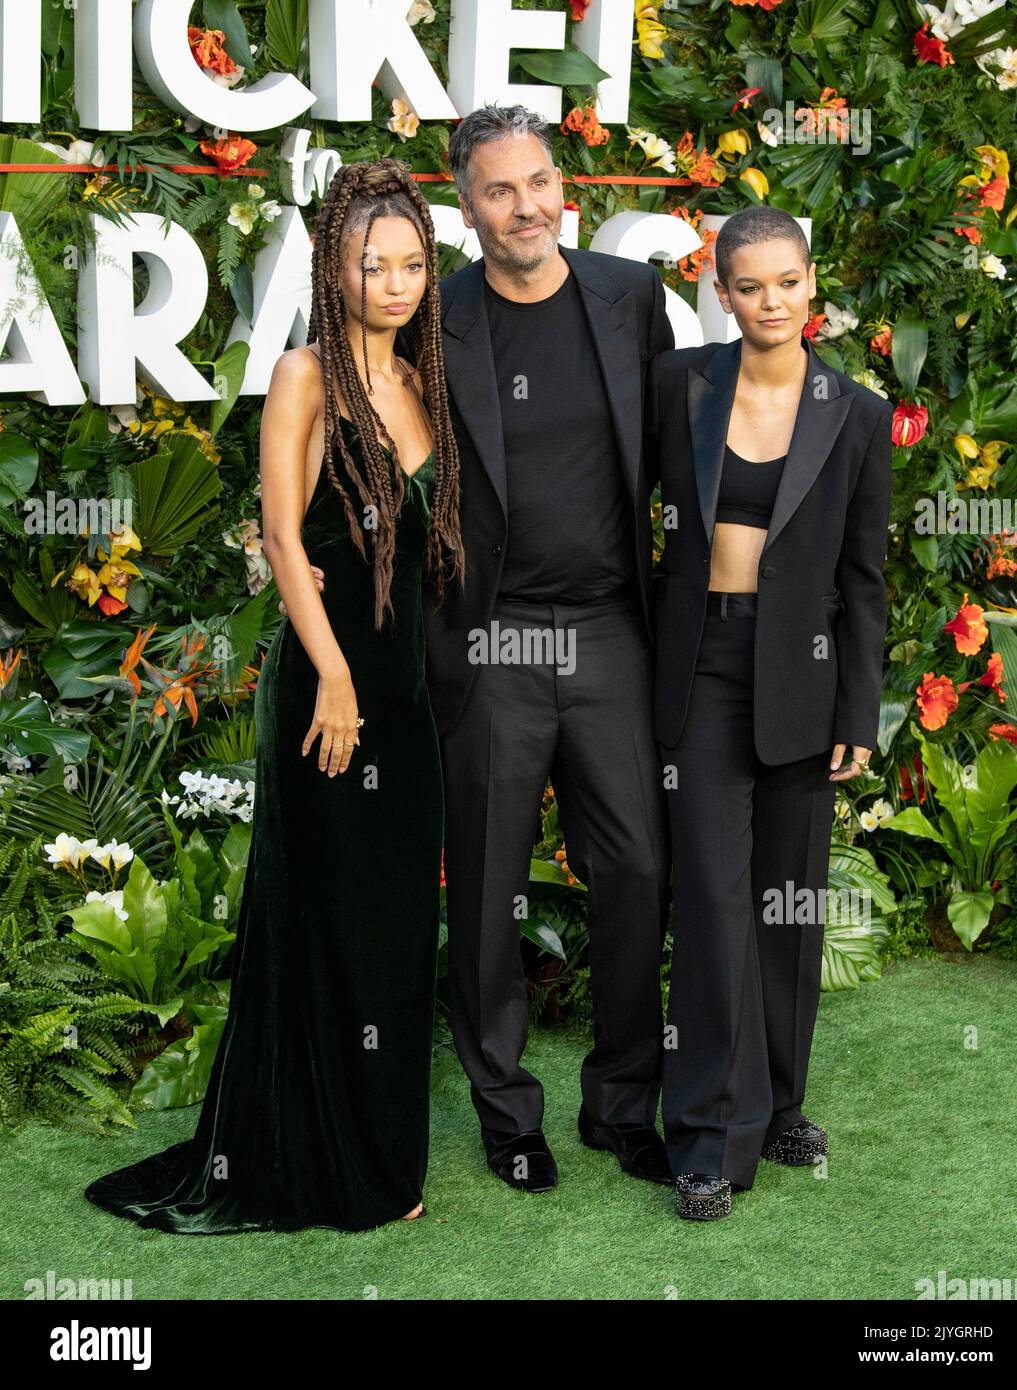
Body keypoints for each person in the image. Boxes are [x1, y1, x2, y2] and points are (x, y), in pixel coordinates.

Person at [84, 158, 463, 1233]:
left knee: (394, 929)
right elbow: (284, 537)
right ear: (332, 270)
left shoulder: (421, 379)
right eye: (370, 265)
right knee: (332, 920)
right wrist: (334, 672)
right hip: (327, 688)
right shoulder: (306, 376)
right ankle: (322, 1161)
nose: (394, 282)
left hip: (405, 693)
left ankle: (380, 1155)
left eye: (410, 263)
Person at [398, 103, 676, 1193]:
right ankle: (508, 1115)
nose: (527, 207)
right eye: (499, 190)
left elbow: (671, 458)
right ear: (462, 206)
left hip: (610, 630)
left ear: (566, 186)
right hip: (493, 640)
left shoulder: (628, 297)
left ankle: (619, 1103)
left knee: (638, 870)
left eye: (541, 182)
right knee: (486, 888)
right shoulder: (436, 320)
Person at [645, 204, 893, 1220]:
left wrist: (858, 710)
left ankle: (780, 1100)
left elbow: (863, 577)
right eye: (748, 286)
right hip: (700, 666)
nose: (770, 302)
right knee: (710, 902)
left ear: (809, 285)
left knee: (785, 905)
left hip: (804, 675)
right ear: (720, 292)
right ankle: (709, 1137)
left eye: (785, 282)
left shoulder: (857, 411)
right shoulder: (682, 384)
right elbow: (637, 520)